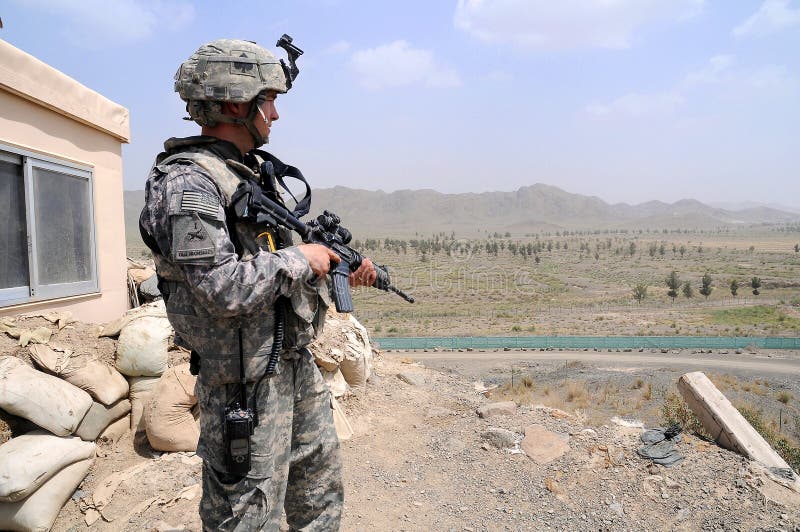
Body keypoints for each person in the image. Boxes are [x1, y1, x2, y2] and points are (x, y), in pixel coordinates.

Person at [139, 38, 376, 530]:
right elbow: (221, 288)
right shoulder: (187, 184)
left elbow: (272, 268)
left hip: (293, 364)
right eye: (268, 100)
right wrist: (300, 259)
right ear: (234, 104)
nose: (276, 114)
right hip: (242, 387)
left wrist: (331, 266)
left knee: (319, 495)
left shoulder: (249, 175)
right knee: (247, 516)